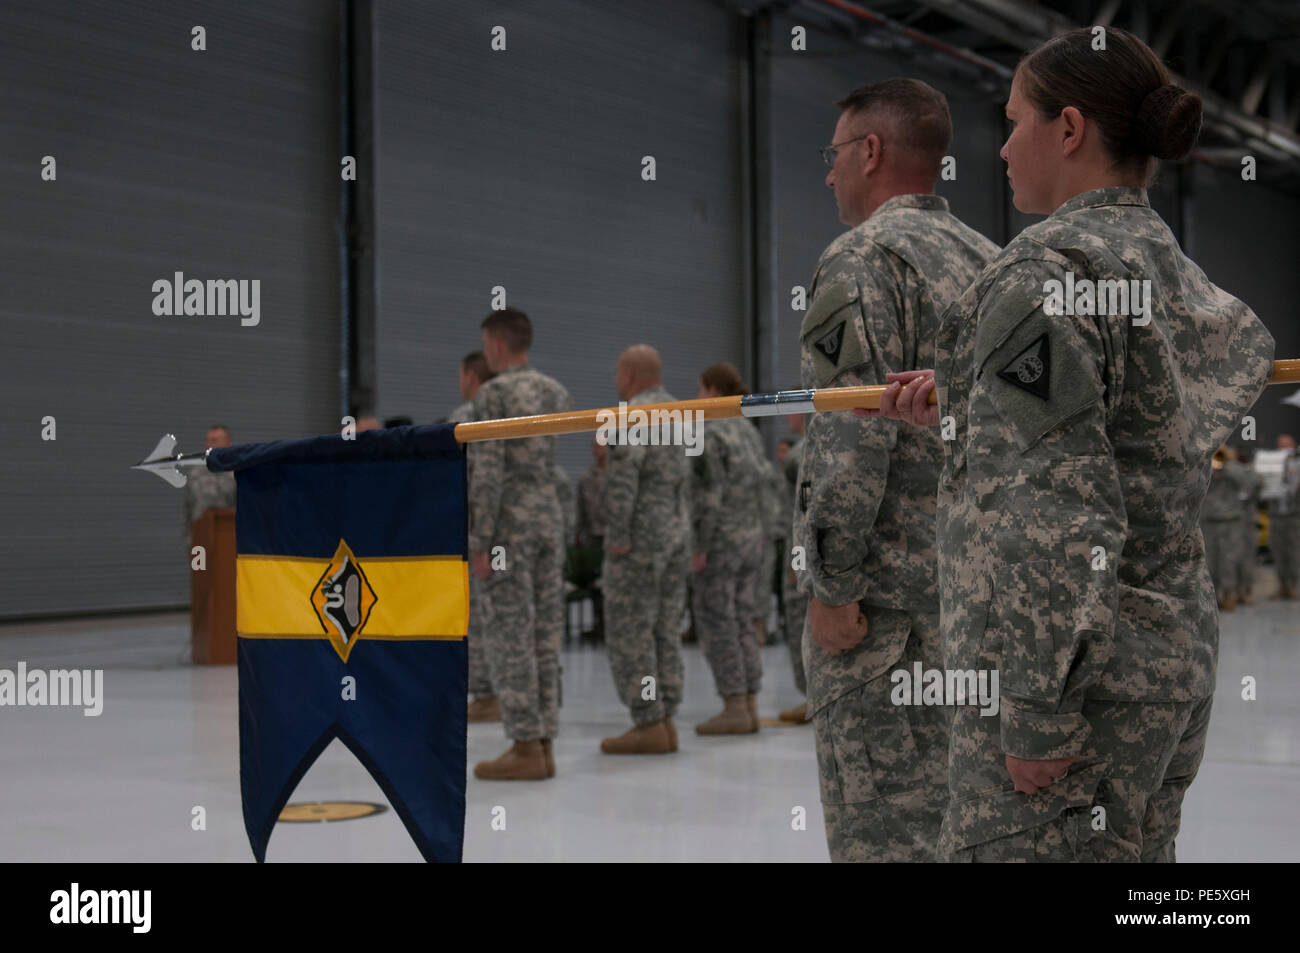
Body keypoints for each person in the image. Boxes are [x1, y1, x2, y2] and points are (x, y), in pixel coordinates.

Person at [871, 27, 1274, 861]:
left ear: (1070, 129)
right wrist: (979, 407)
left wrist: (1037, 707)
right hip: (1169, 663)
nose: (1005, 144)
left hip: (1075, 687)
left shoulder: (1042, 277)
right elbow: (1164, 409)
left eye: (1018, 119)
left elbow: (1060, 509)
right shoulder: (1165, 270)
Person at [797, 77, 999, 862]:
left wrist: (833, 584)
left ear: (871, 151)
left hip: (888, 619)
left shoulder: (860, 260)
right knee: (963, 822)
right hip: (973, 608)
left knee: (884, 830)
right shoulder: (990, 260)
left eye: (834, 154)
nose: (828, 173)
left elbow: (850, 439)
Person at [468, 308, 574, 780]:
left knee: (511, 634)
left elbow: (488, 471)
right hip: (548, 520)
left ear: (494, 345)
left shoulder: (493, 394)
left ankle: (524, 745)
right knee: (545, 635)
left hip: (507, 527)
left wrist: (479, 542)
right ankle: (544, 740)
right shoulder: (554, 390)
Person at [599, 345, 692, 754]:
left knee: (631, 628)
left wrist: (617, 533)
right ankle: (666, 715)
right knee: (665, 627)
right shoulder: (682, 411)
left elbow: (624, 478)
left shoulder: (632, 412)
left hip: (639, 535)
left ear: (630, 375)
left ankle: (647, 718)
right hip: (675, 530)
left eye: (619, 373)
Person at [690, 362, 767, 734]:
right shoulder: (748, 430)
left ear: (711, 390)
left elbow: (708, 495)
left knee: (717, 620)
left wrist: (699, 543)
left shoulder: (712, 430)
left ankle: (734, 703)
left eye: (700, 389)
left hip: (720, 541)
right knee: (742, 620)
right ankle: (750, 701)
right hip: (751, 539)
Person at [449, 351, 499, 722]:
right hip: (514, 529)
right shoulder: (509, 409)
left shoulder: (467, 417)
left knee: (478, 615)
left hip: (473, 530)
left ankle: (486, 694)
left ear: (470, 376)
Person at [777, 416, 809, 723]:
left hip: (801, 551)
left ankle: (811, 696)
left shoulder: (801, 452)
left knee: (801, 621)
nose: (789, 417)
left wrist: (796, 560)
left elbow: (804, 509)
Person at [1201, 447, 1246, 610]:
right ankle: (1214, 596)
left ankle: (1230, 594)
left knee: (1229, 559)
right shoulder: (1205, 467)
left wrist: (1228, 463)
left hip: (1230, 521)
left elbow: (1244, 482)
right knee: (1210, 560)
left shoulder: (1234, 470)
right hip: (1209, 520)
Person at [183, 425, 236, 546]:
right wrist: (188, 541)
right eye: (207, 440)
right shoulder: (195, 474)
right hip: (199, 540)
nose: (208, 445)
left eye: (214, 441)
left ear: (227, 443)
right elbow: (188, 509)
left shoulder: (237, 473)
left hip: (229, 541)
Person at [1268, 435, 1300, 599]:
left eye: (1287, 445)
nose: (1284, 449)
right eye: (1281, 446)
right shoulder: (1271, 466)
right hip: (1276, 514)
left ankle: (1293, 585)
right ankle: (1282, 585)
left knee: (1294, 551)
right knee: (1277, 549)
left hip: (1294, 515)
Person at [1235, 448, 1261, 605]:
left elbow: (1254, 488)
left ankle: (1247, 590)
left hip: (1248, 522)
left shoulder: (1253, 474)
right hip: (1234, 522)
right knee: (1234, 558)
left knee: (1248, 558)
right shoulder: (1230, 472)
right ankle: (1234, 590)